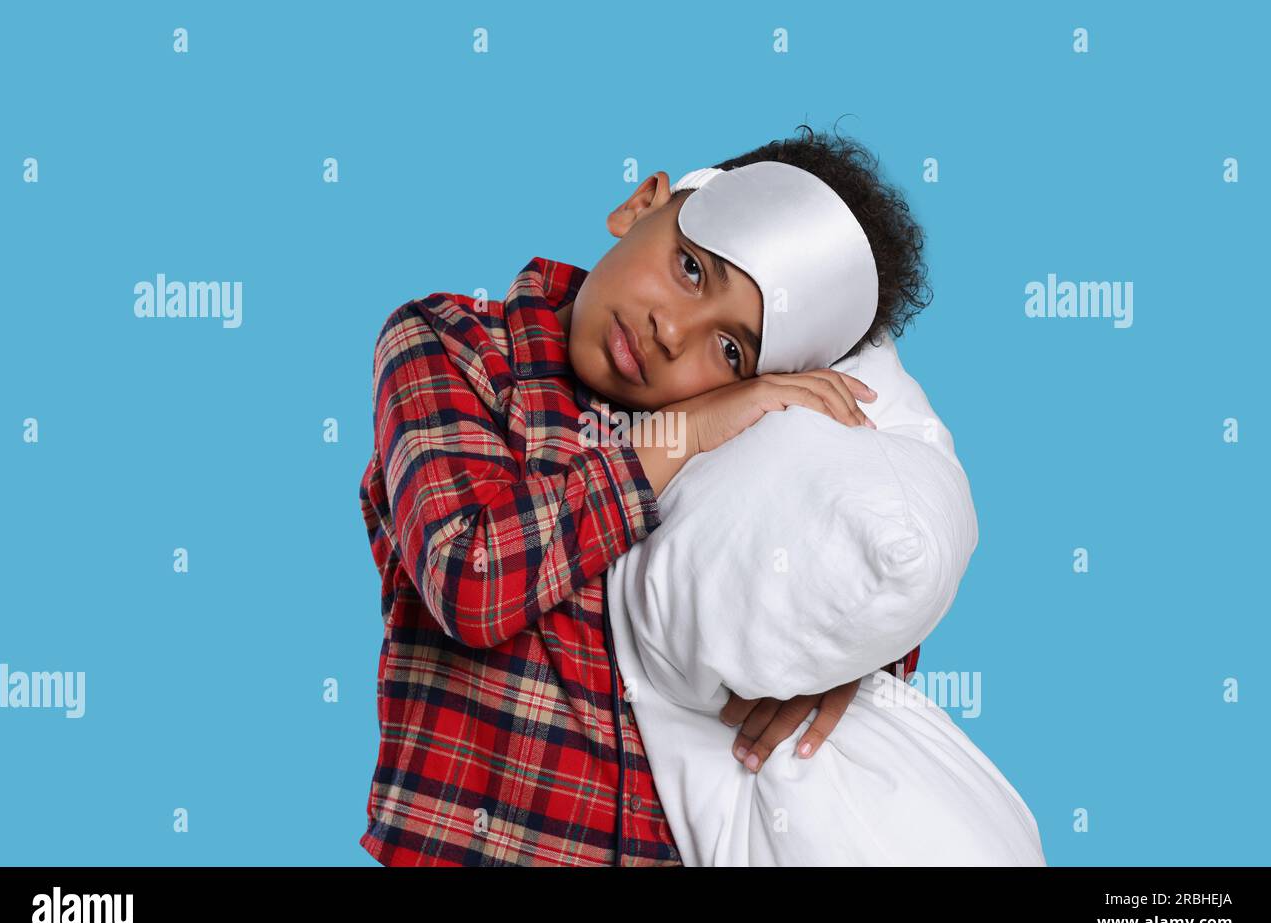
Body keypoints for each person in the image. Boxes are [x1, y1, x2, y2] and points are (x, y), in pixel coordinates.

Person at [358, 125, 932, 865]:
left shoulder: (742, 449)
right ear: (640, 203)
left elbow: (843, 561)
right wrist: (678, 436)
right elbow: (471, 578)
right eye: (691, 269)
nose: (671, 330)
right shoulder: (453, 345)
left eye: (731, 350)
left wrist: (850, 658)